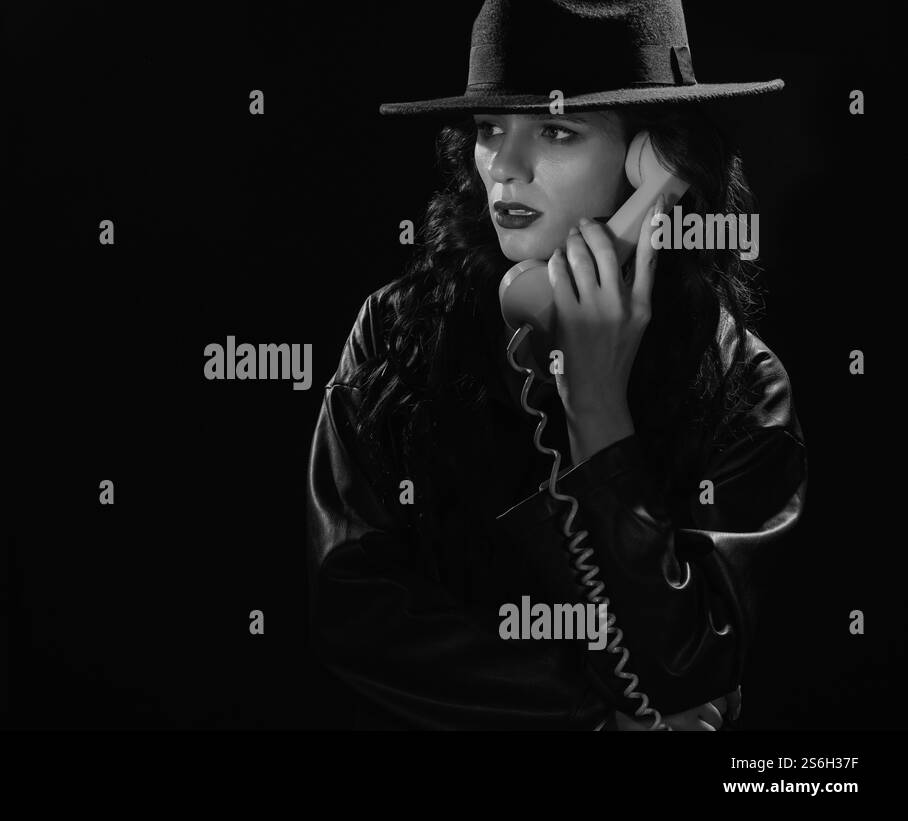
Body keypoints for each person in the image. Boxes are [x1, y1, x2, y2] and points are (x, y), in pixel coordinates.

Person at [304, 0, 808, 730]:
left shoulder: (745, 387)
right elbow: (353, 610)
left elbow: (693, 664)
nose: (503, 168)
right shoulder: (393, 333)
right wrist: (589, 721)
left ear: (657, 166)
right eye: (489, 130)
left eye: (556, 130)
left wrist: (599, 414)